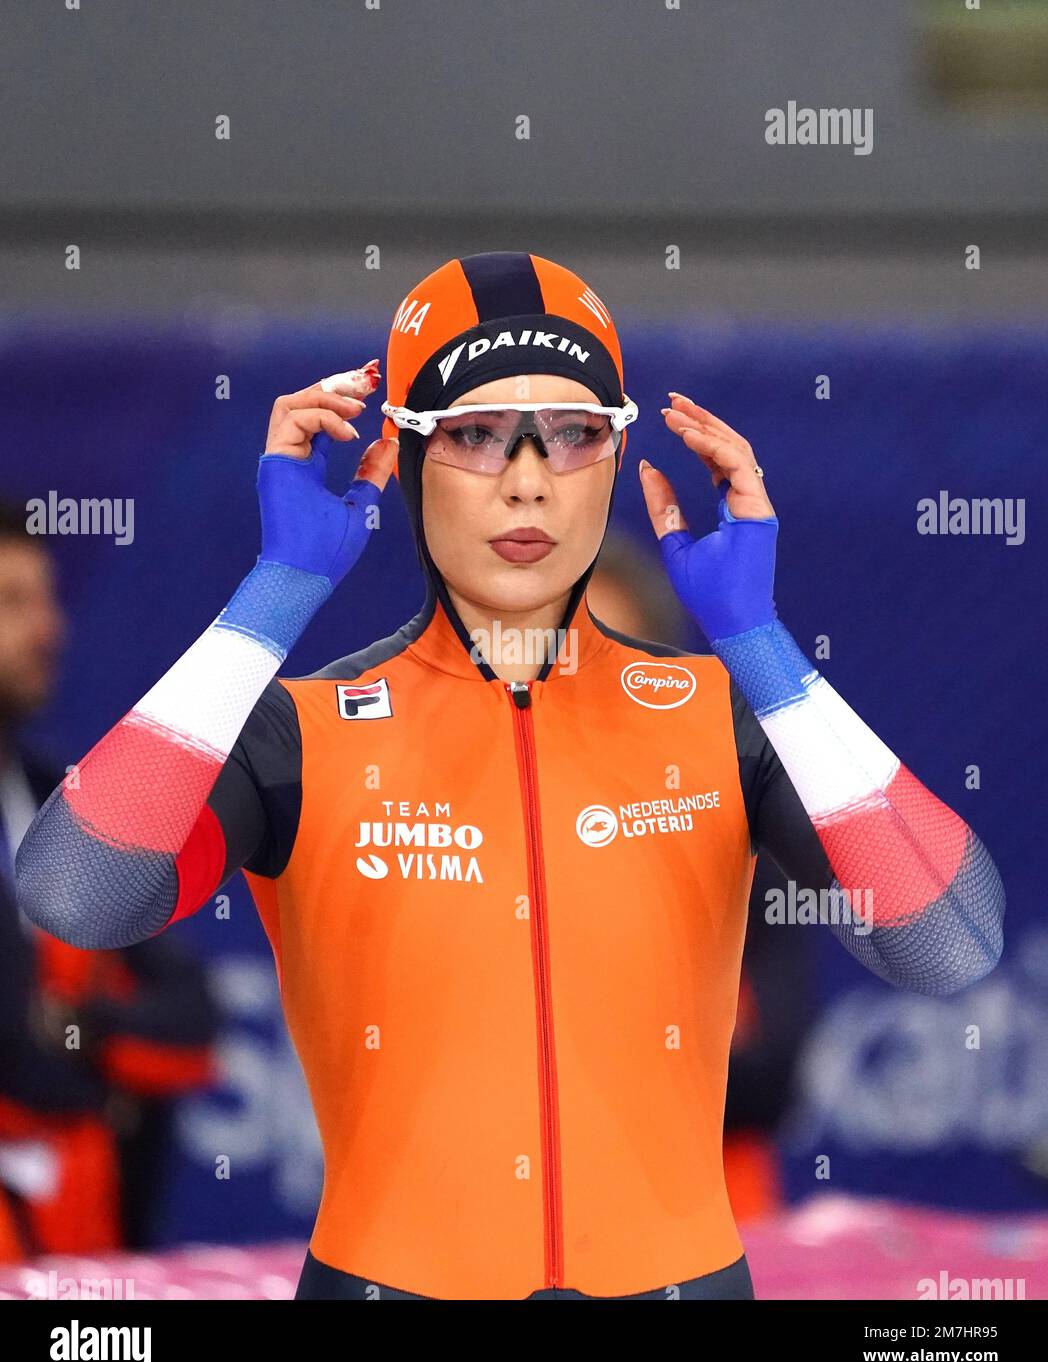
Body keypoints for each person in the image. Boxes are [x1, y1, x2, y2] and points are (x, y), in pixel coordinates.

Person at [15, 251, 1005, 1300]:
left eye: (573, 433)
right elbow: (74, 894)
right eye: (476, 434)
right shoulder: (294, 735)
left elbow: (947, 942)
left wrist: (759, 645)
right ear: (401, 454)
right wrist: (274, 592)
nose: (528, 477)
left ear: (618, 457)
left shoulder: (729, 720)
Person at [0, 503, 217, 1258]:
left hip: (79, 1251)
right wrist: (98, 1074)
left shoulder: (57, 794)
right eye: (12, 602)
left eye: (46, 600)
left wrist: (85, 1029)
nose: (48, 630)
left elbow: (191, 1011)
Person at [587, 533, 815, 1224]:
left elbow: (769, 1081)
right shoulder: (454, 832)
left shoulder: (735, 831)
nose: (578, 682)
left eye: (611, 655)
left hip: (718, 1235)